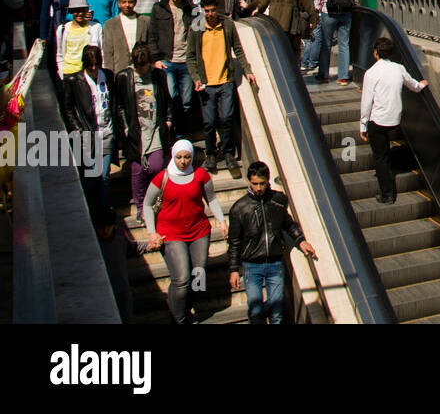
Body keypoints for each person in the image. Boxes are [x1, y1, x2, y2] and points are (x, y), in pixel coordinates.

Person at [143, 139, 227, 325]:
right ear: (173, 156)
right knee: (181, 278)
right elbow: (147, 204)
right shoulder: (162, 177)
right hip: (171, 234)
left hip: (199, 231)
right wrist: (151, 232)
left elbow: (211, 199)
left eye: (187, 157)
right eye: (179, 157)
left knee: (199, 276)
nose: (183, 161)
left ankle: (184, 308)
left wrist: (221, 220)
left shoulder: (201, 175)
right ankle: (179, 319)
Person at [226, 161, 318, 324]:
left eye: (262, 183)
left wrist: (301, 241)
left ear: (268, 180)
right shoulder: (239, 208)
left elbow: (288, 224)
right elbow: (234, 241)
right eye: (255, 184)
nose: (259, 188)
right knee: (256, 312)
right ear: (249, 182)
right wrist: (234, 269)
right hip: (251, 264)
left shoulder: (278, 200)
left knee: (277, 312)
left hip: (275, 263)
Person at [187, 0, 254, 176]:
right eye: (206, 11)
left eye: (212, 10)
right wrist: (196, 77)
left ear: (218, 9)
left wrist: (247, 69)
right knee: (209, 121)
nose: (209, 14)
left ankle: (227, 152)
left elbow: (237, 49)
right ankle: (210, 153)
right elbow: (191, 56)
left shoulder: (227, 25)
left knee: (226, 118)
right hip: (207, 83)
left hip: (225, 80)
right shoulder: (197, 27)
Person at [359, 37, 427, 204]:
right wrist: (422, 85)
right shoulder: (399, 68)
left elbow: (367, 101)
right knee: (386, 152)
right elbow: (413, 85)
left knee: (380, 157)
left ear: (375, 53)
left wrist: (363, 124)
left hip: (378, 120)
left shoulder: (371, 73)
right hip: (394, 119)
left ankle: (387, 193)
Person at [115, 42, 172, 227]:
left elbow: (167, 100)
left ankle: (154, 201)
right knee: (137, 171)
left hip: (155, 129)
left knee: (154, 168)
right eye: (139, 67)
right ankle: (141, 207)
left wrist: (168, 120)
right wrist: (125, 127)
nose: (143, 70)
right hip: (136, 131)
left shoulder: (158, 76)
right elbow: (120, 105)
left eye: (145, 66)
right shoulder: (124, 77)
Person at [61, 44, 116, 206]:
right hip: (88, 135)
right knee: (92, 176)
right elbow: (67, 107)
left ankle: (102, 212)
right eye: (90, 65)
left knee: (104, 176)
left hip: (106, 131)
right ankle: (94, 211)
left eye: (96, 64)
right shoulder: (74, 80)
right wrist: (77, 128)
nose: (93, 69)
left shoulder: (107, 76)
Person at [149, 0, 196, 119]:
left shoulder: (192, 9)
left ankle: (182, 131)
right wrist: (156, 59)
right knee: (170, 97)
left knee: (187, 100)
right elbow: (152, 35)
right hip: (167, 60)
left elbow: (200, 35)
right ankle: (172, 131)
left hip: (186, 60)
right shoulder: (158, 8)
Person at [93, 205, 150, 323]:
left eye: (108, 227)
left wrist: (149, 245)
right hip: (100, 293)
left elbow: (132, 247)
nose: (104, 231)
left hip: (122, 291)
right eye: (101, 228)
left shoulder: (119, 235)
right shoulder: (92, 242)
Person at [313, 0, 356, 84]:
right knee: (344, 44)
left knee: (326, 43)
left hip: (328, 12)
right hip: (345, 12)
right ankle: (343, 76)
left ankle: (323, 75)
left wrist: (317, 9)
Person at [102, 0, 151, 75]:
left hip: (142, 71)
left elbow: (150, 46)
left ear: (135, 3)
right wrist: (109, 74)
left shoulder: (145, 21)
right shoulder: (110, 24)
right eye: (124, 2)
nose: (127, 5)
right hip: (119, 71)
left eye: (130, 2)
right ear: (118, 3)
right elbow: (108, 53)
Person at [56, 0, 104, 83]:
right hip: (68, 73)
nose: (80, 13)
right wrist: (62, 73)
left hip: (87, 73)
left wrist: (100, 72)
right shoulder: (62, 29)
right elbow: (59, 54)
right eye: (76, 10)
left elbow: (101, 51)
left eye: (83, 10)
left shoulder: (95, 27)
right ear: (71, 11)